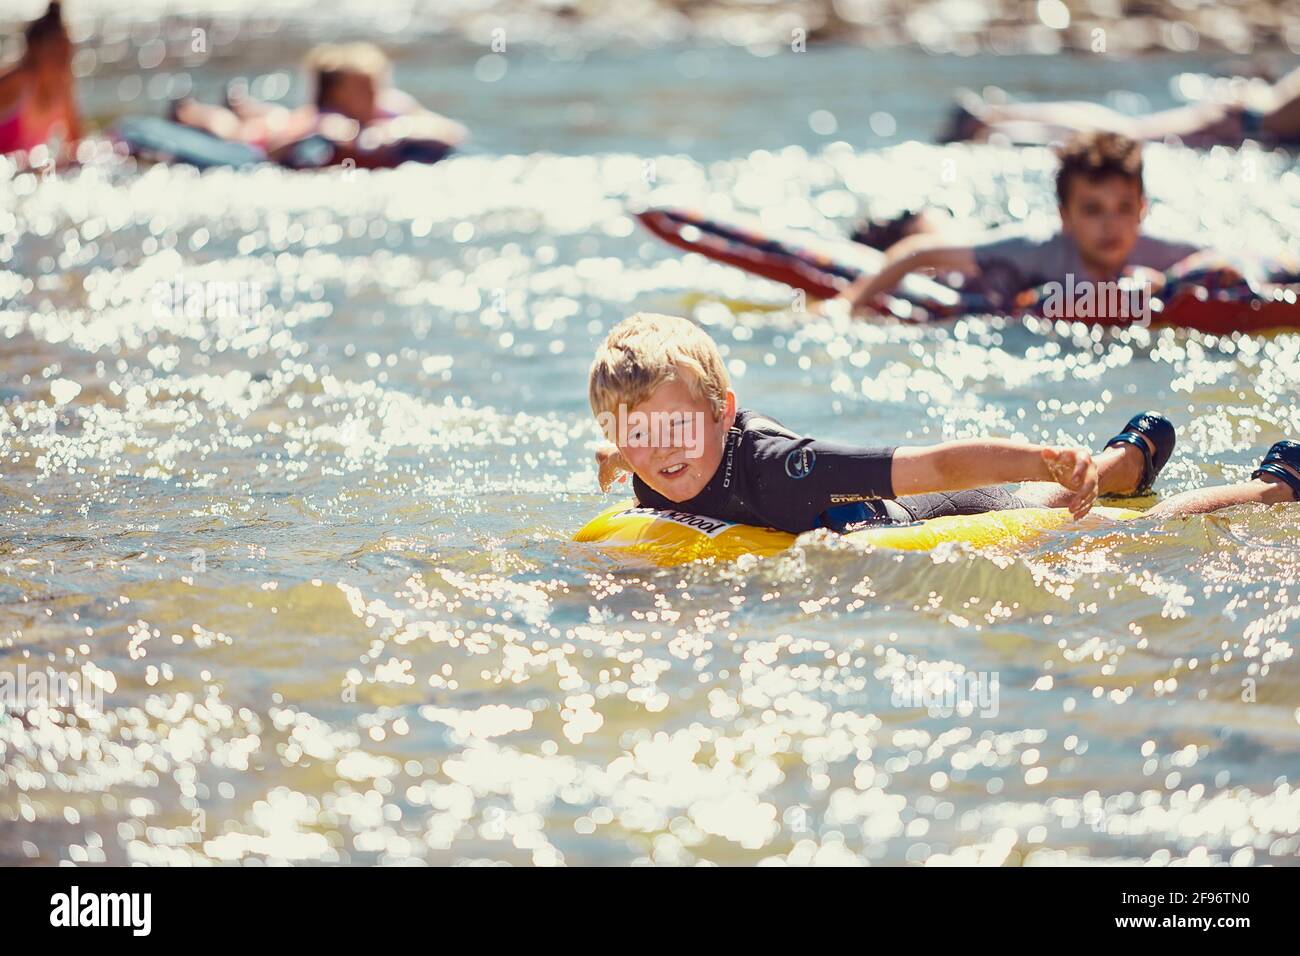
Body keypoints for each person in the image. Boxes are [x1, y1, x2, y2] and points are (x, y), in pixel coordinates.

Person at [588, 313, 1300, 534]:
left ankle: (1275, 485)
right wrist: (616, 459)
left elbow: (935, 467)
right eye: (636, 438)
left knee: (1109, 529)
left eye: (675, 430)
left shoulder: (784, 469)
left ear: (724, 413)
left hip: (929, 509)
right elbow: (649, 450)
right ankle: (1126, 458)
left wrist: (1035, 460)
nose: (660, 455)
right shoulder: (654, 451)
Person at [835, 131, 1204, 314]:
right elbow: (916, 254)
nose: (1112, 225)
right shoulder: (1037, 248)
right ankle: (922, 217)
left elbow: (1222, 260)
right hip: (974, 263)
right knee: (944, 252)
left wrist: (1167, 284)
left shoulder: (1159, 248)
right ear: (1065, 217)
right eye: (1093, 210)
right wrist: (848, 304)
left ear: (1143, 209)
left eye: (1124, 208)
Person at [173, 42, 466, 167]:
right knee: (238, 129)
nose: (372, 94)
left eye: (374, 85)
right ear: (335, 93)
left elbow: (451, 130)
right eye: (362, 89)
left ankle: (243, 104)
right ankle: (192, 111)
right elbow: (273, 149)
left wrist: (396, 132)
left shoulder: (391, 108)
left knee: (276, 114)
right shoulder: (321, 119)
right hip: (268, 133)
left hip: (288, 120)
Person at [942, 68, 1300, 148]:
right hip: (1238, 122)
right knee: (1126, 133)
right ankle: (994, 124)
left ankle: (1000, 115)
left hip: (1238, 112)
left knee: (1127, 127)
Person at [0, 2, 80, 164]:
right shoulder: (16, 83)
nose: (62, 64)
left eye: (66, 56)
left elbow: (75, 147)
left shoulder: (63, 91)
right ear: (35, 52)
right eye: (56, 55)